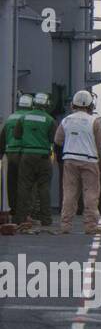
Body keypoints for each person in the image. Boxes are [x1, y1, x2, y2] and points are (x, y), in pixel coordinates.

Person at [53, 90, 101, 235]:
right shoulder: (94, 121)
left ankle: (65, 225)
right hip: (89, 161)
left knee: (69, 193)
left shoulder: (66, 120)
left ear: (73, 104)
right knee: (90, 193)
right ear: (91, 105)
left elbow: (58, 141)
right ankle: (90, 226)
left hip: (70, 160)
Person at [15, 93, 56, 233]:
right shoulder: (50, 120)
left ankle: (20, 218)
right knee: (44, 188)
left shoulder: (23, 117)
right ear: (46, 104)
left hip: (27, 155)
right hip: (44, 157)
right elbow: (53, 139)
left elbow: (16, 135)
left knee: (24, 187)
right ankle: (46, 219)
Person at [1, 94, 33, 231]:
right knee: (26, 185)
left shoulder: (10, 119)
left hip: (10, 153)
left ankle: (13, 211)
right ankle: (24, 215)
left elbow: (2, 139)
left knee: (11, 184)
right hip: (24, 153)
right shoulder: (29, 118)